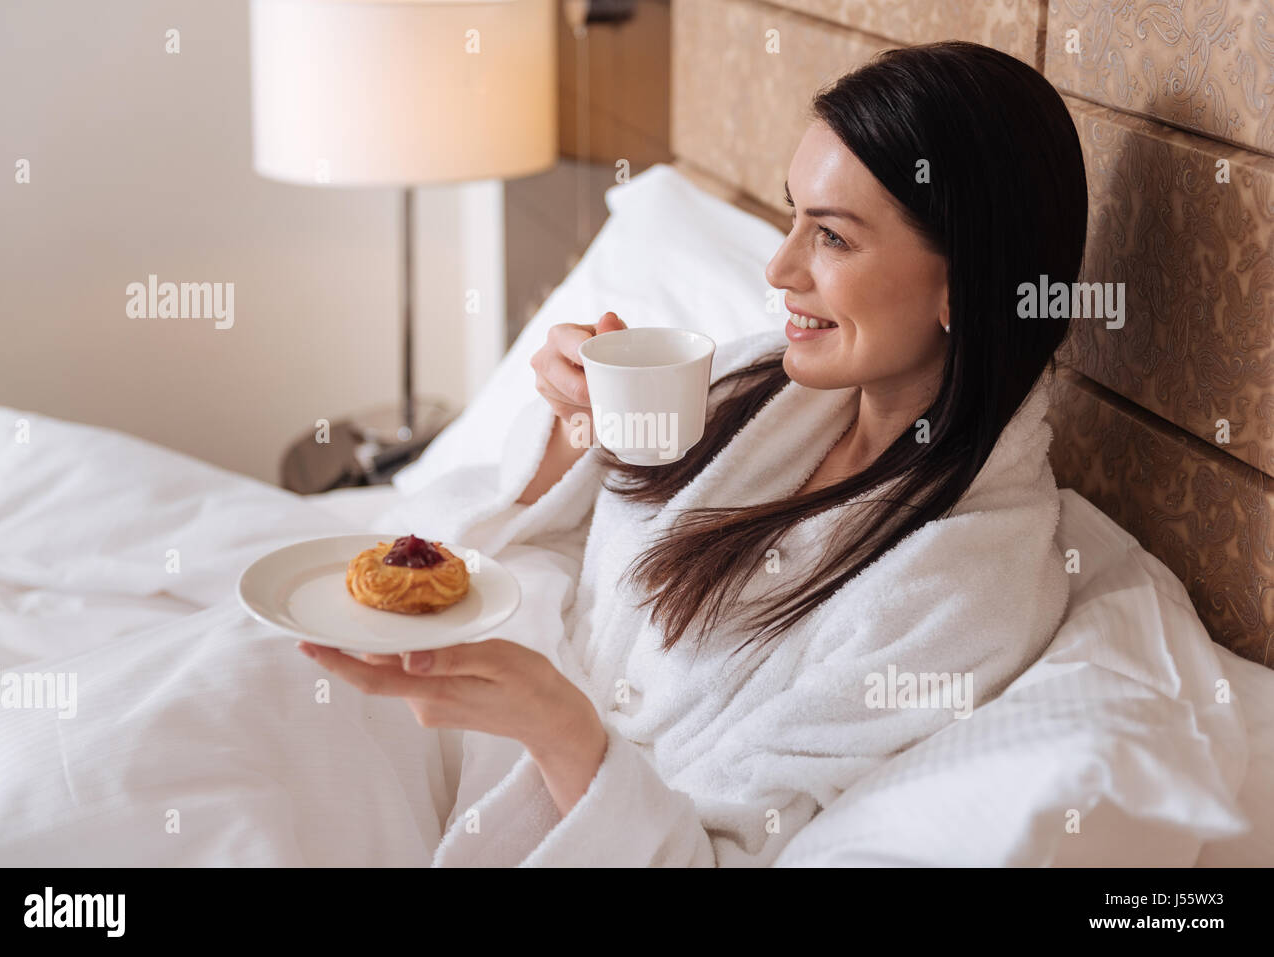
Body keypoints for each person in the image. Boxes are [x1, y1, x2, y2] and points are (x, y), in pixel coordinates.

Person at [300, 39, 1089, 866]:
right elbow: (544, 533)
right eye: (792, 217)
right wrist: (574, 416)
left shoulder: (962, 584)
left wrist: (559, 725)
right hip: (442, 723)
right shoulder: (764, 381)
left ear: (966, 284)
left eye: (833, 238)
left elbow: (719, 852)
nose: (779, 267)